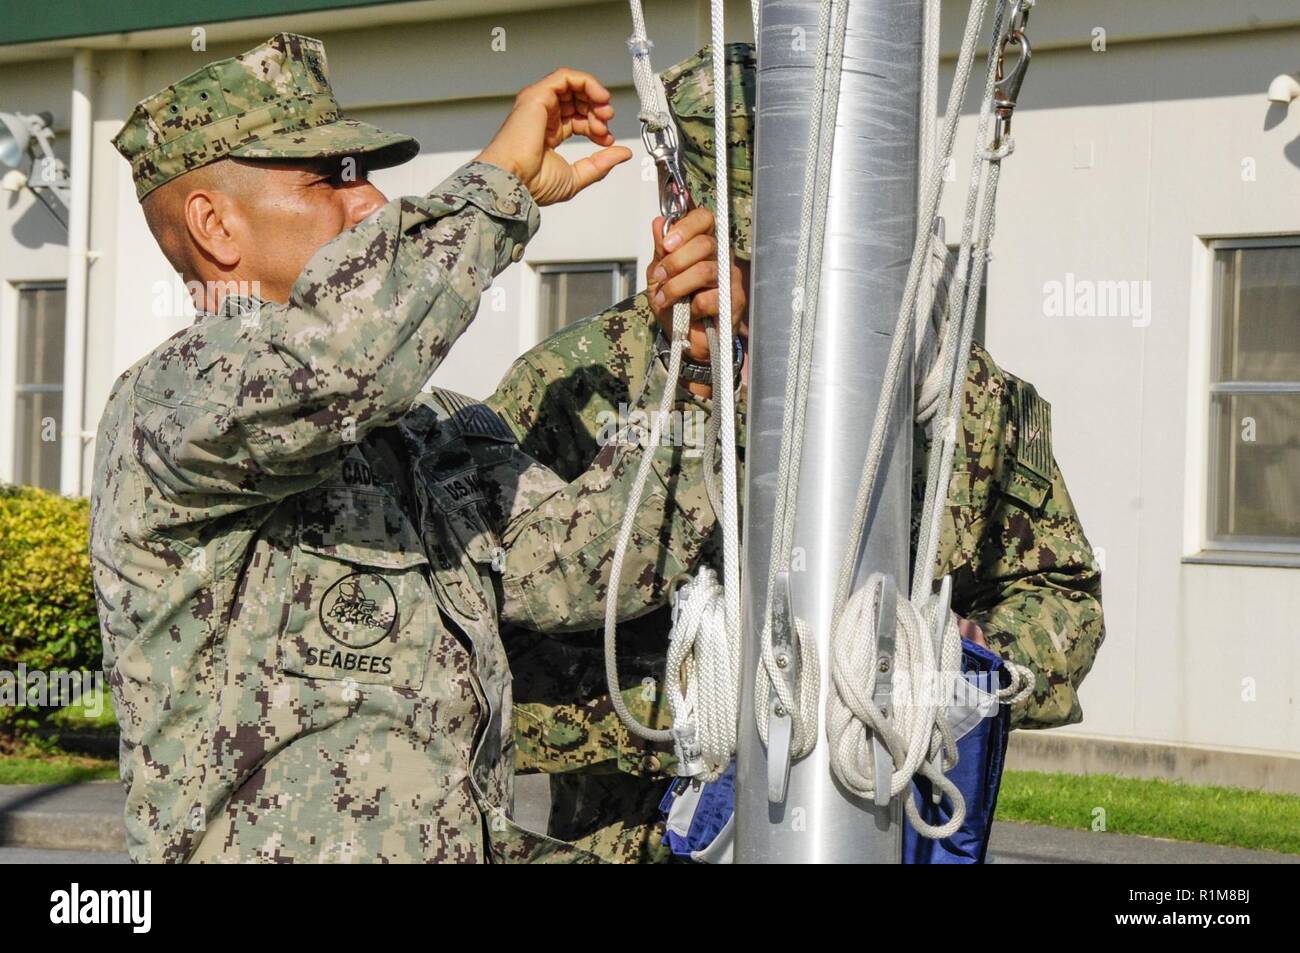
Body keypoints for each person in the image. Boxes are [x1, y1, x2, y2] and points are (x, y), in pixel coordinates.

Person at [90, 32, 724, 864]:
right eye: (331, 181)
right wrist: (497, 190)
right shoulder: (169, 404)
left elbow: (586, 561)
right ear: (215, 225)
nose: (372, 205)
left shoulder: (411, 439)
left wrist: (702, 374)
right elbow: (346, 358)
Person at [489, 43, 1105, 863]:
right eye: (750, 253)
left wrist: (945, 666)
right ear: (677, 227)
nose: (776, 283)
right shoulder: (579, 388)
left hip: (877, 832)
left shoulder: (959, 395)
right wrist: (701, 696)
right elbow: (481, 614)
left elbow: (1064, 600)